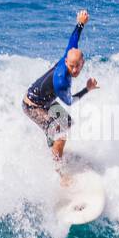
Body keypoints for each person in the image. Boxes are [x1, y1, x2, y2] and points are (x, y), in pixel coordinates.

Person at [22, 9, 99, 163]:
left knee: (67, 123)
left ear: (82, 62)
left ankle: (53, 148)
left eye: (78, 66)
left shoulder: (69, 54)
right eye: (72, 66)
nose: (75, 70)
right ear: (66, 63)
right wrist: (87, 89)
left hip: (46, 102)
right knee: (60, 132)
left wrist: (80, 23)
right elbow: (70, 101)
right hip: (33, 106)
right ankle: (58, 170)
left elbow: (74, 38)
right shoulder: (61, 81)